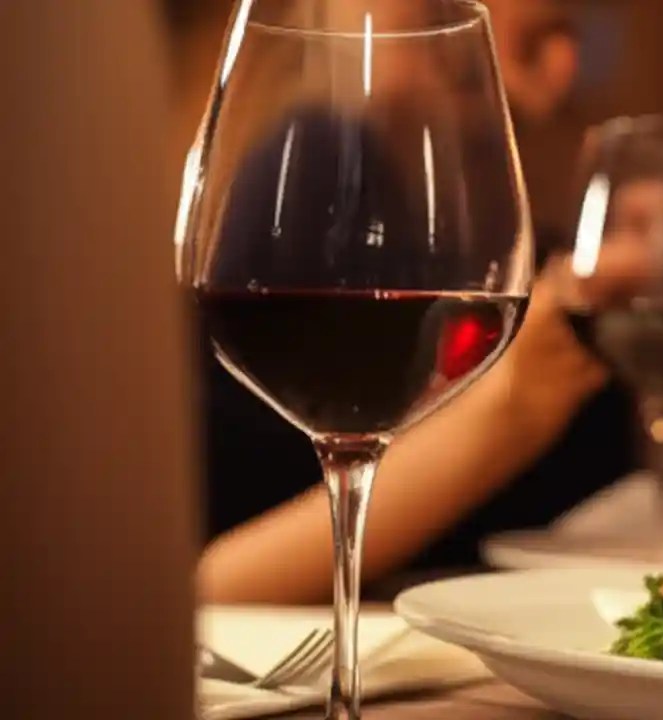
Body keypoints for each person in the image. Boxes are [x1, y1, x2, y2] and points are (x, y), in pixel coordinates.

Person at [165, 0, 638, 603]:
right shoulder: (288, 201)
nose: (563, 69)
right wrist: (514, 406)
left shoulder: (533, 275)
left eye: (570, 32)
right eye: (541, 35)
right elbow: (196, 592)